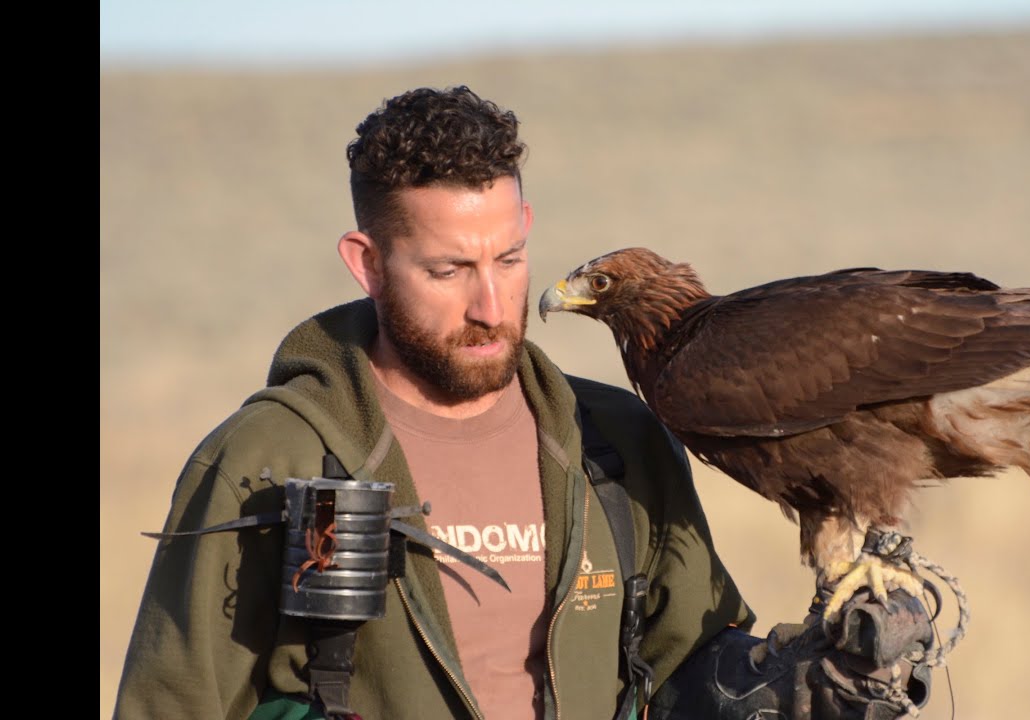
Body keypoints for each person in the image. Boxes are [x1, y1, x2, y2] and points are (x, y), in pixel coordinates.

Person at [114, 85, 933, 720]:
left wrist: (799, 686)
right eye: (447, 271)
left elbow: (685, 670)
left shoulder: (613, 444)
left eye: (508, 258)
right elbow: (171, 703)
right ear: (366, 262)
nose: (490, 303)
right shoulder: (270, 462)